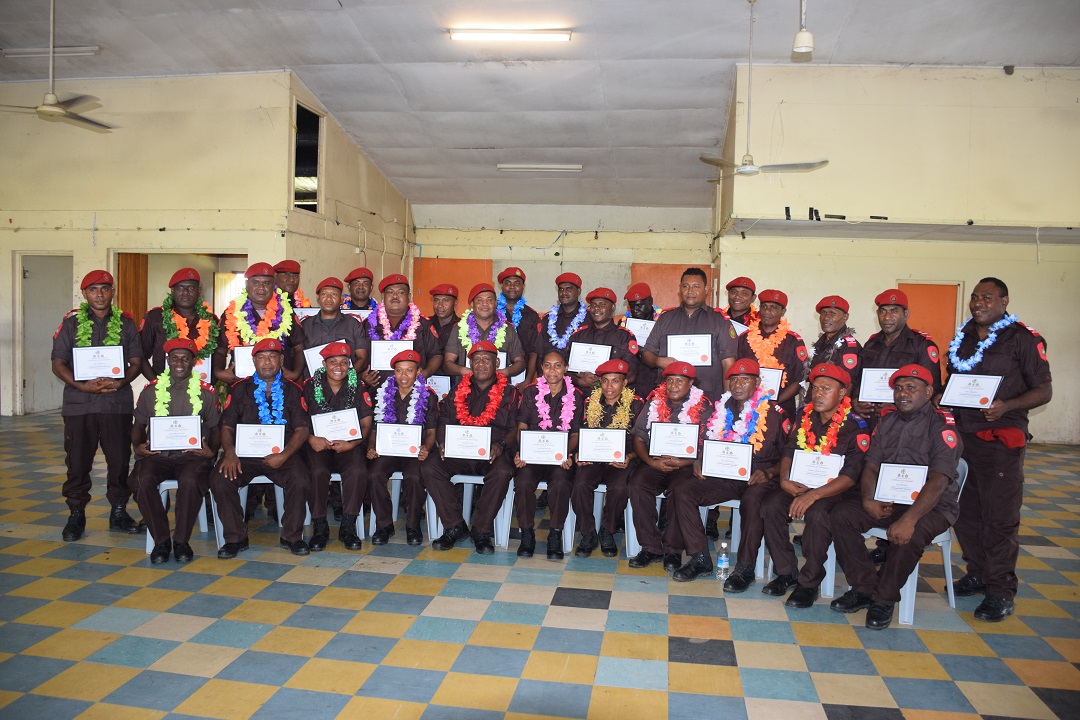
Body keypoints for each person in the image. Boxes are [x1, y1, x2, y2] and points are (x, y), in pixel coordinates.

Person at [947, 277, 1052, 622]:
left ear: (1004, 302)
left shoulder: (1023, 339)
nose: (978, 303)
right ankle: (977, 572)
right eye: (975, 297)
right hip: (963, 439)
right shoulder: (963, 337)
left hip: (1000, 440)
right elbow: (955, 381)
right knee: (965, 512)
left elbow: (1043, 391)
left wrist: (1007, 405)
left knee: (999, 517)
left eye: (987, 298)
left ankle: (1001, 591)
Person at [829, 365, 963, 629]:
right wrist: (868, 500)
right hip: (889, 497)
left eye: (911, 388)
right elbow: (871, 466)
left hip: (931, 506)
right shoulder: (887, 422)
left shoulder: (941, 427)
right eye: (898, 388)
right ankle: (864, 587)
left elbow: (938, 481)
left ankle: (884, 598)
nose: (902, 394)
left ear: (928, 392)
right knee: (841, 515)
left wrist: (910, 519)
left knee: (908, 533)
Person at [666, 359, 789, 583]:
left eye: (745, 380)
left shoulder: (775, 413)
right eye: (734, 380)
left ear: (757, 383)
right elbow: (706, 441)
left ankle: (745, 567)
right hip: (724, 475)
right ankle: (699, 557)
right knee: (683, 490)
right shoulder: (720, 408)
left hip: (759, 476)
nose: (738, 385)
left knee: (753, 501)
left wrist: (770, 473)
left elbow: (788, 456)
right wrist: (699, 461)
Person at [761, 363, 869, 608]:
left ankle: (809, 581)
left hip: (836, 490)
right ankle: (786, 571)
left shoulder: (855, 425)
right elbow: (790, 450)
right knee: (771, 505)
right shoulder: (804, 415)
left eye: (826, 389)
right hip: (801, 482)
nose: (818, 394)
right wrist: (784, 480)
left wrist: (813, 496)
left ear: (842, 393)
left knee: (818, 514)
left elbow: (851, 475)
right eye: (815, 388)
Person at [51, 270, 145, 541]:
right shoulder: (71, 325)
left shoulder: (126, 324)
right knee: (77, 462)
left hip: (116, 404)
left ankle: (118, 512)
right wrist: (81, 385)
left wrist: (120, 382)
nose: (100, 294)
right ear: (84, 294)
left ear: (113, 291)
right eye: (93, 289)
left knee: (119, 460)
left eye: (105, 288)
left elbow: (136, 362)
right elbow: (58, 363)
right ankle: (76, 514)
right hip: (80, 405)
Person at [210, 338, 312, 558]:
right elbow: (226, 426)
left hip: (282, 454)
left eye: (272, 357)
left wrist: (284, 455)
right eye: (262, 357)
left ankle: (292, 536)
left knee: (300, 478)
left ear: (281, 360)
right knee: (220, 478)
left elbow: (302, 429)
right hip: (244, 456)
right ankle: (235, 538)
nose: (267, 362)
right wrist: (230, 454)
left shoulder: (294, 390)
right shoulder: (239, 389)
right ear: (254, 361)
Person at [130, 338, 221, 563]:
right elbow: (138, 425)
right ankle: (161, 540)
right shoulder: (151, 391)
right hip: (157, 456)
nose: (179, 363)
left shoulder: (206, 392)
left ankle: (181, 540)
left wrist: (211, 451)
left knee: (191, 481)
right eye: (174, 358)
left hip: (192, 457)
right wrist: (138, 446)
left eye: (185, 359)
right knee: (141, 480)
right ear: (167, 360)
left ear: (193, 362)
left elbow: (216, 428)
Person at [424, 341, 521, 553]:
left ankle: (481, 529)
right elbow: (444, 420)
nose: (481, 364)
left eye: (487, 360)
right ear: (470, 364)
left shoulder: (510, 393)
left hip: (492, 453)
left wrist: (501, 445)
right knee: (431, 466)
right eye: (476, 360)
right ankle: (454, 526)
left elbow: (516, 428)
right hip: (460, 451)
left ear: (497, 363)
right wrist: (444, 443)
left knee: (503, 472)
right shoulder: (458, 390)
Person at [626, 361, 712, 570]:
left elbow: (710, 444)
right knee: (637, 485)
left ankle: (673, 550)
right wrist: (650, 462)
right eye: (670, 381)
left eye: (679, 381)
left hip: (686, 465)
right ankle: (651, 547)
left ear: (691, 383)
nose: (673, 385)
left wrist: (685, 461)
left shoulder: (704, 406)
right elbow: (639, 438)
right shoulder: (653, 402)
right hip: (654, 461)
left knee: (680, 490)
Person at [513, 351, 584, 559]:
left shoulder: (576, 396)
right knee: (523, 481)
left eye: (557, 365)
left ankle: (555, 533)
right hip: (532, 456)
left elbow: (576, 433)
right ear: (541, 368)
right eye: (547, 365)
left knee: (561, 483)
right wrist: (521, 451)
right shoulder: (530, 392)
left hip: (560, 458)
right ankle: (527, 533)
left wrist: (567, 453)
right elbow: (522, 427)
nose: (552, 370)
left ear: (566, 368)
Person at [302, 341, 372, 551]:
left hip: (349, 445)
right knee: (316, 471)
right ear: (324, 364)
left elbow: (366, 423)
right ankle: (320, 526)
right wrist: (310, 439)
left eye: (344, 362)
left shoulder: (358, 386)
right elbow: (298, 421)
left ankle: (348, 526)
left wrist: (352, 444)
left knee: (358, 471)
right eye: (333, 362)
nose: (339, 367)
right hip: (318, 445)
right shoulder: (309, 386)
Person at [571, 359, 644, 557]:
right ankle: (588, 533)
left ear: (624, 383)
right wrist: (579, 454)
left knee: (619, 487)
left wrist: (630, 456)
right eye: (605, 381)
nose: (609, 386)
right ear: (599, 383)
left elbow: (642, 440)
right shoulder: (589, 402)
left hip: (622, 460)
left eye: (615, 381)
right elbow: (580, 432)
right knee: (579, 484)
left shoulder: (637, 404)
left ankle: (607, 531)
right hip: (593, 459)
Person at [367, 349, 438, 546]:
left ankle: (413, 525)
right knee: (374, 474)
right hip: (387, 450)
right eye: (399, 370)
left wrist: (426, 448)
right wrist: (371, 447)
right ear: (394, 372)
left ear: (418, 372)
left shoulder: (428, 396)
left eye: (409, 370)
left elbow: (432, 432)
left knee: (414, 477)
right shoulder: (382, 393)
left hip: (415, 452)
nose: (403, 375)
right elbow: (374, 428)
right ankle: (384, 525)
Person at [641, 267, 738, 400]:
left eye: (696, 286)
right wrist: (658, 361)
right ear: (680, 289)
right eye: (685, 286)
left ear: (706, 289)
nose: (690, 291)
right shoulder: (665, 318)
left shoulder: (719, 320)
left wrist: (727, 401)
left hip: (708, 397)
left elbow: (728, 363)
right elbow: (647, 353)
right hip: (669, 398)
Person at [854, 289, 943, 428]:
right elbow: (859, 379)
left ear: (906, 314)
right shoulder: (871, 344)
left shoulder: (922, 345)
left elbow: (931, 389)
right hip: (870, 420)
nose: (887, 317)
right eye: (882, 311)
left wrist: (899, 405)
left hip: (906, 423)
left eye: (894, 311)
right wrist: (855, 401)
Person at [219, 262, 305, 384]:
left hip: (280, 384)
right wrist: (218, 372)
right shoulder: (232, 313)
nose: (261, 288)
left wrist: (296, 373)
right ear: (246, 285)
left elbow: (299, 348)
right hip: (242, 384)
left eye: (266, 283)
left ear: (273, 285)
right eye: (255, 282)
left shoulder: (286, 312)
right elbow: (220, 349)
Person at [139, 267, 227, 384]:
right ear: (172, 290)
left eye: (191, 288)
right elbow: (140, 355)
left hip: (203, 387)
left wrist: (212, 382)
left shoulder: (211, 320)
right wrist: (156, 383)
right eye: (180, 287)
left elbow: (219, 353)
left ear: (199, 290)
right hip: (164, 388)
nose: (185, 292)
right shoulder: (155, 317)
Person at [357, 274, 442, 387]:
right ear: (383, 296)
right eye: (390, 292)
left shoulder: (423, 324)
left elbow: (436, 355)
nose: (395, 296)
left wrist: (425, 373)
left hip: (413, 391)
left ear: (409, 296)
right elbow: (358, 357)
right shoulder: (369, 324)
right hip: (375, 389)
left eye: (401, 292)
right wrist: (362, 376)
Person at [736, 289, 806, 418]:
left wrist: (774, 403)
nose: (767, 311)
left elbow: (799, 380)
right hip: (747, 408)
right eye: (764, 307)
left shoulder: (794, 341)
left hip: (781, 408)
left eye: (773, 307)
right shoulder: (744, 338)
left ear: (783, 311)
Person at [443, 283, 527, 380]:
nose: (485, 304)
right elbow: (447, 363)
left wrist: (504, 372)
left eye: (489, 300)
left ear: (496, 303)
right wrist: (465, 371)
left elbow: (520, 362)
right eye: (479, 300)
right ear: (472, 304)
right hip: (466, 386)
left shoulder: (508, 329)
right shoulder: (459, 328)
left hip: (500, 386)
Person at [567, 287, 640, 391]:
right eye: (593, 305)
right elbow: (565, 369)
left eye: (602, 304)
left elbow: (631, 375)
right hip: (580, 394)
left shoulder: (625, 337)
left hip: (611, 396)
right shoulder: (578, 335)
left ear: (613, 307)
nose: (596, 308)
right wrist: (579, 381)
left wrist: (602, 380)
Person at [299, 276, 367, 377]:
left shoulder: (353, 324)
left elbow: (362, 358)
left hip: (346, 382)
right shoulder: (305, 325)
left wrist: (345, 376)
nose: (329, 298)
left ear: (341, 299)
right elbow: (299, 358)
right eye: (324, 294)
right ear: (318, 299)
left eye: (334, 294)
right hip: (313, 382)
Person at [497, 267, 543, 386]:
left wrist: (528, 381)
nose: (512, 287)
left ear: (523, 286)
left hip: (523, 376)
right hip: (494, 374)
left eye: (517, 283)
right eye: (508, 283)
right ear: (502, 286)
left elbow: (534, 352)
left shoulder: (532, 316)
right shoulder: (491, 312)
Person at [806, 295, 861, 392]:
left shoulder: (849, 347)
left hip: (833, 402)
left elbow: (847, 386)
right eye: (823, 312)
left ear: (845, 317)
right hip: (814, 399)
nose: (826, 317)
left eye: (832, 313)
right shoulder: (820, 343)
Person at [619, 282, 663, 398]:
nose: (635, 310)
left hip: (654, 378)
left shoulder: (663, 321)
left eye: (639, 305)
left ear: (650, 301)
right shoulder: (623, 323)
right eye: (632, 306)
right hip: (631, 380)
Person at [540, 272, 590, 359]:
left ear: (579, 291)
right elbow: (539, 351)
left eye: (569, 289)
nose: (564, 293)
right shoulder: (548, 319)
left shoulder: (590, 318)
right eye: (561, 289)